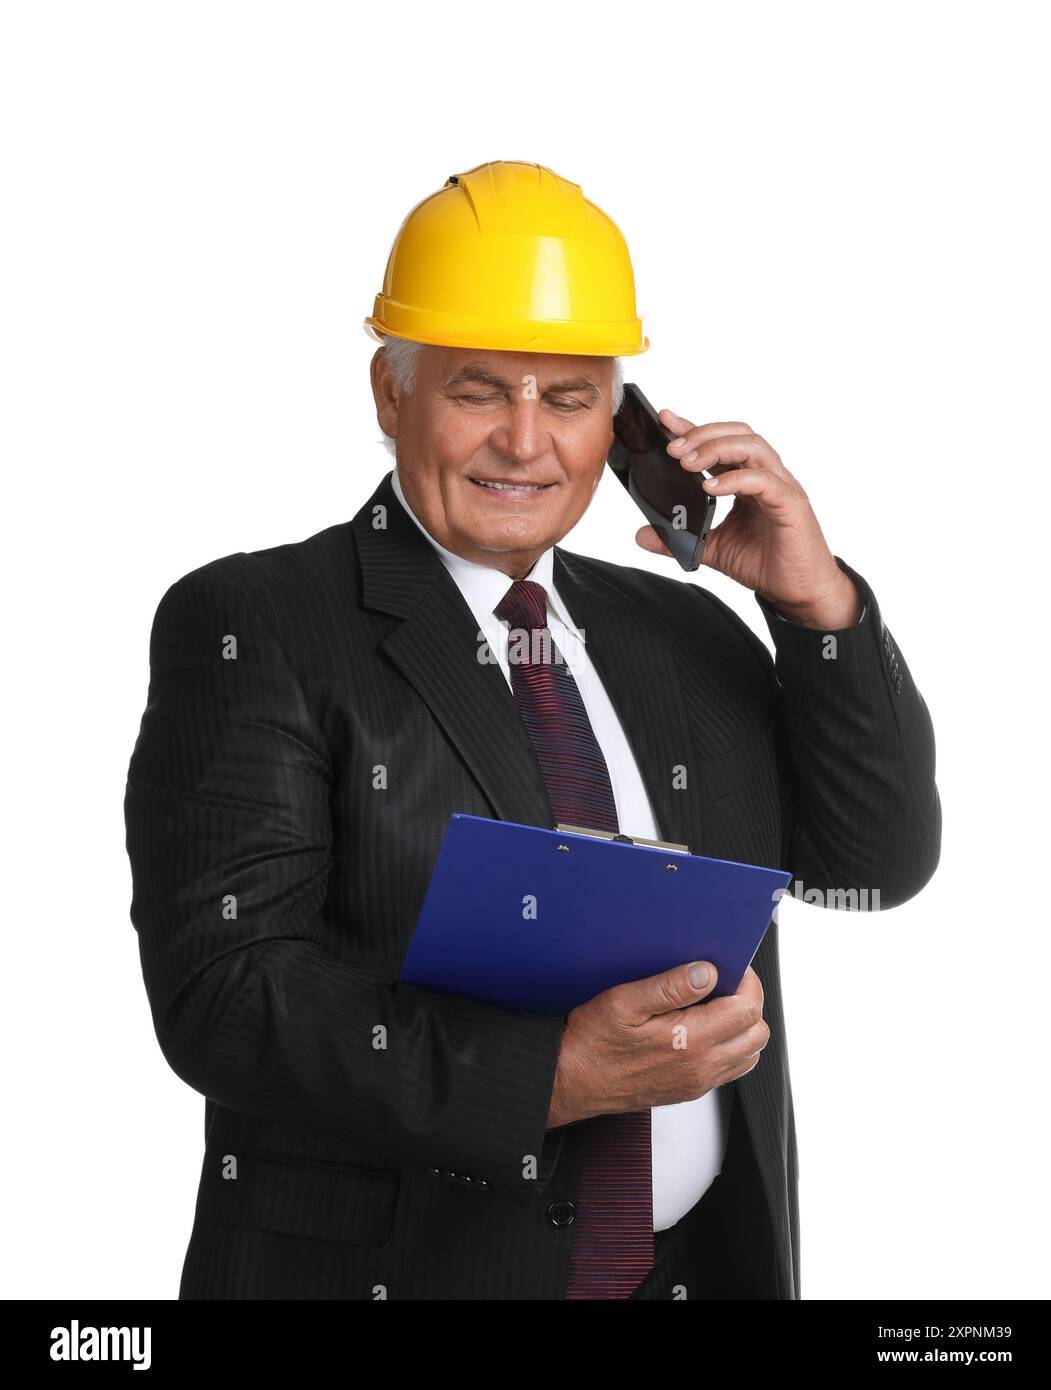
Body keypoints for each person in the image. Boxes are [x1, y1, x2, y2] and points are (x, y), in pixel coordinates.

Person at [124, 160, 941, 1300]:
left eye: (568, 398)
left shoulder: (681, 632)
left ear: (626, 420)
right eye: (478, 389)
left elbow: (872, 865)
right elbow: (227, 993)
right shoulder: (256, 623)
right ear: (389, 393)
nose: (525, 442)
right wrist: (550, 1076)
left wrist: (817, 608)